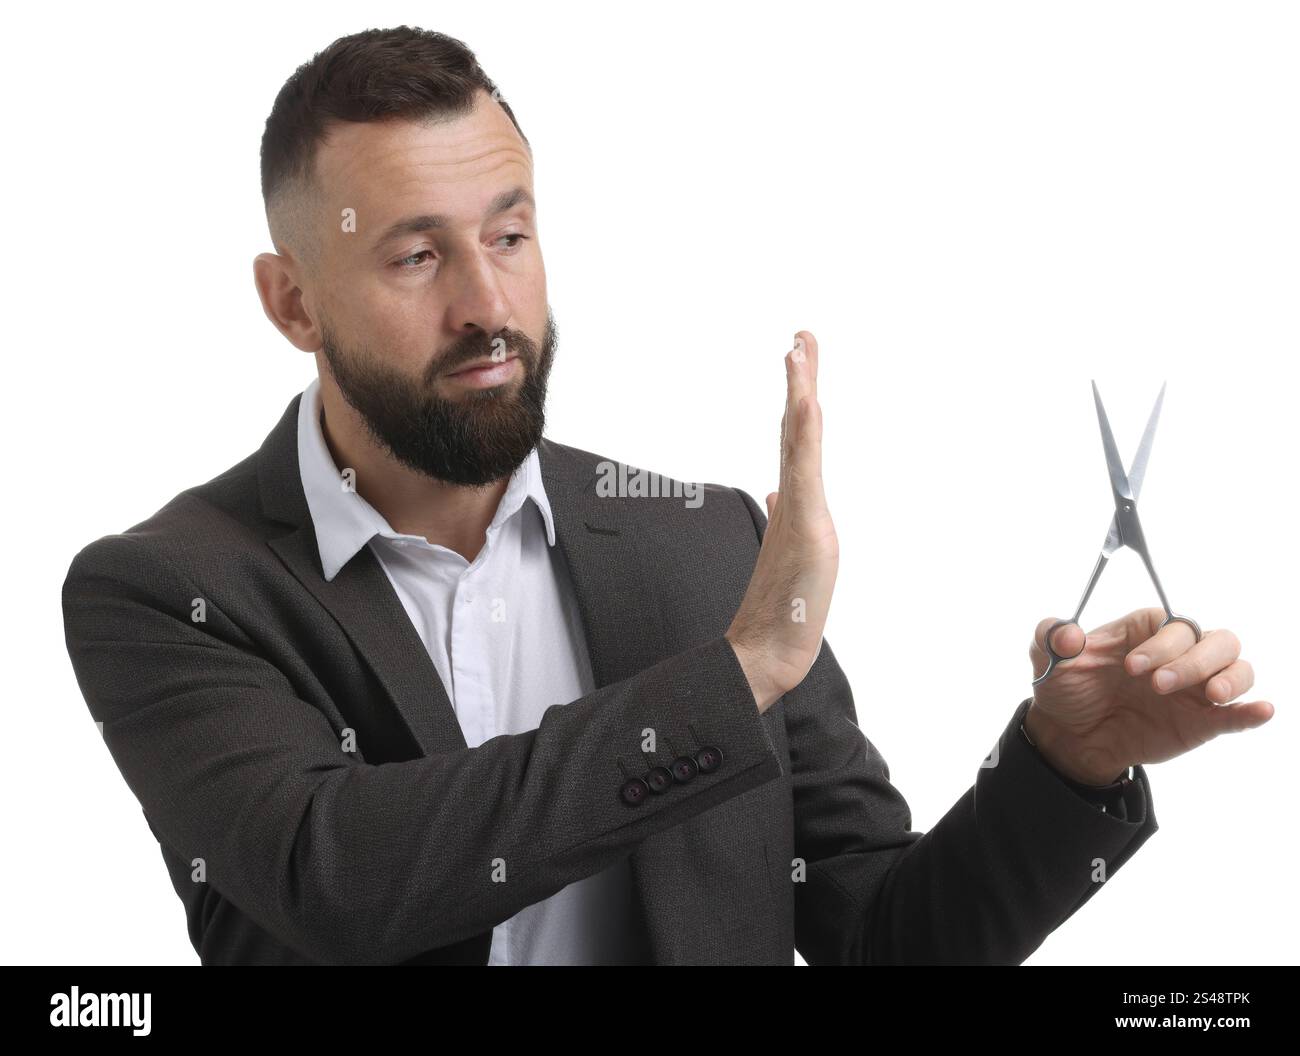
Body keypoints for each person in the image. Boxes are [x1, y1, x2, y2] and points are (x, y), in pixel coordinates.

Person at [61, 26, 1272, 966]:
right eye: (418, 255)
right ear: (293, 304)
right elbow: (340, 879)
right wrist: (736, 673)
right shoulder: (171, 591)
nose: (488, 305)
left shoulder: (702, 546)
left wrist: (1062, 767)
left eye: (512, 234)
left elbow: (881, 937)